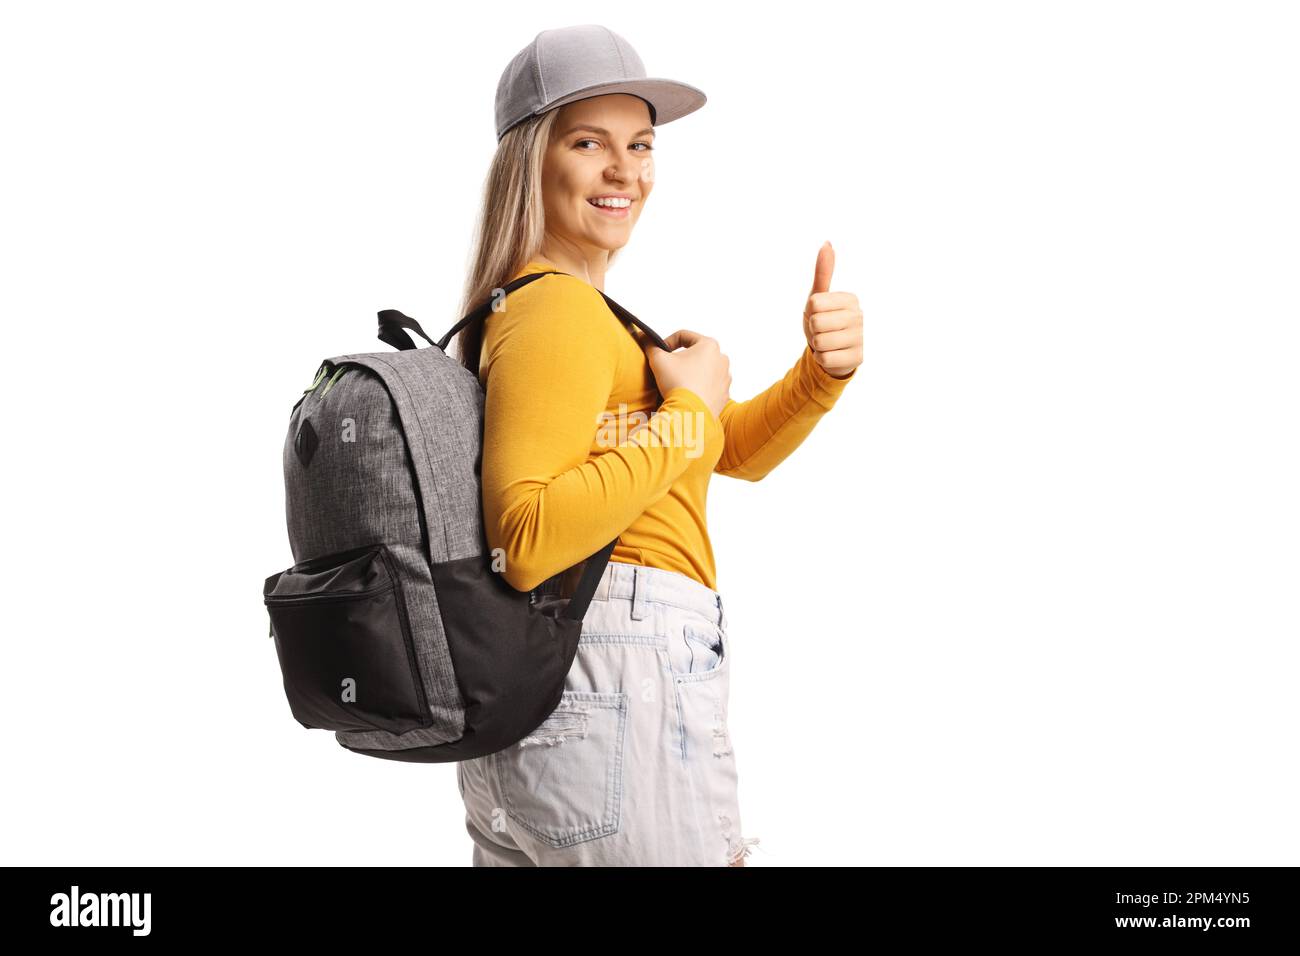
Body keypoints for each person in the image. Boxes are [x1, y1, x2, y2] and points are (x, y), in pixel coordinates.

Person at [454, 24, 863, 866]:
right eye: (589, 142)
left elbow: (722, 454)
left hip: (576, 691)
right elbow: (525, 541)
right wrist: (685, 414)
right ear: (532, 160)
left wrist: (815, 376)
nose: (626, 171)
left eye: (640, 144)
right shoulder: (556, 309)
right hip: (618, 674)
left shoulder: (574, 316)